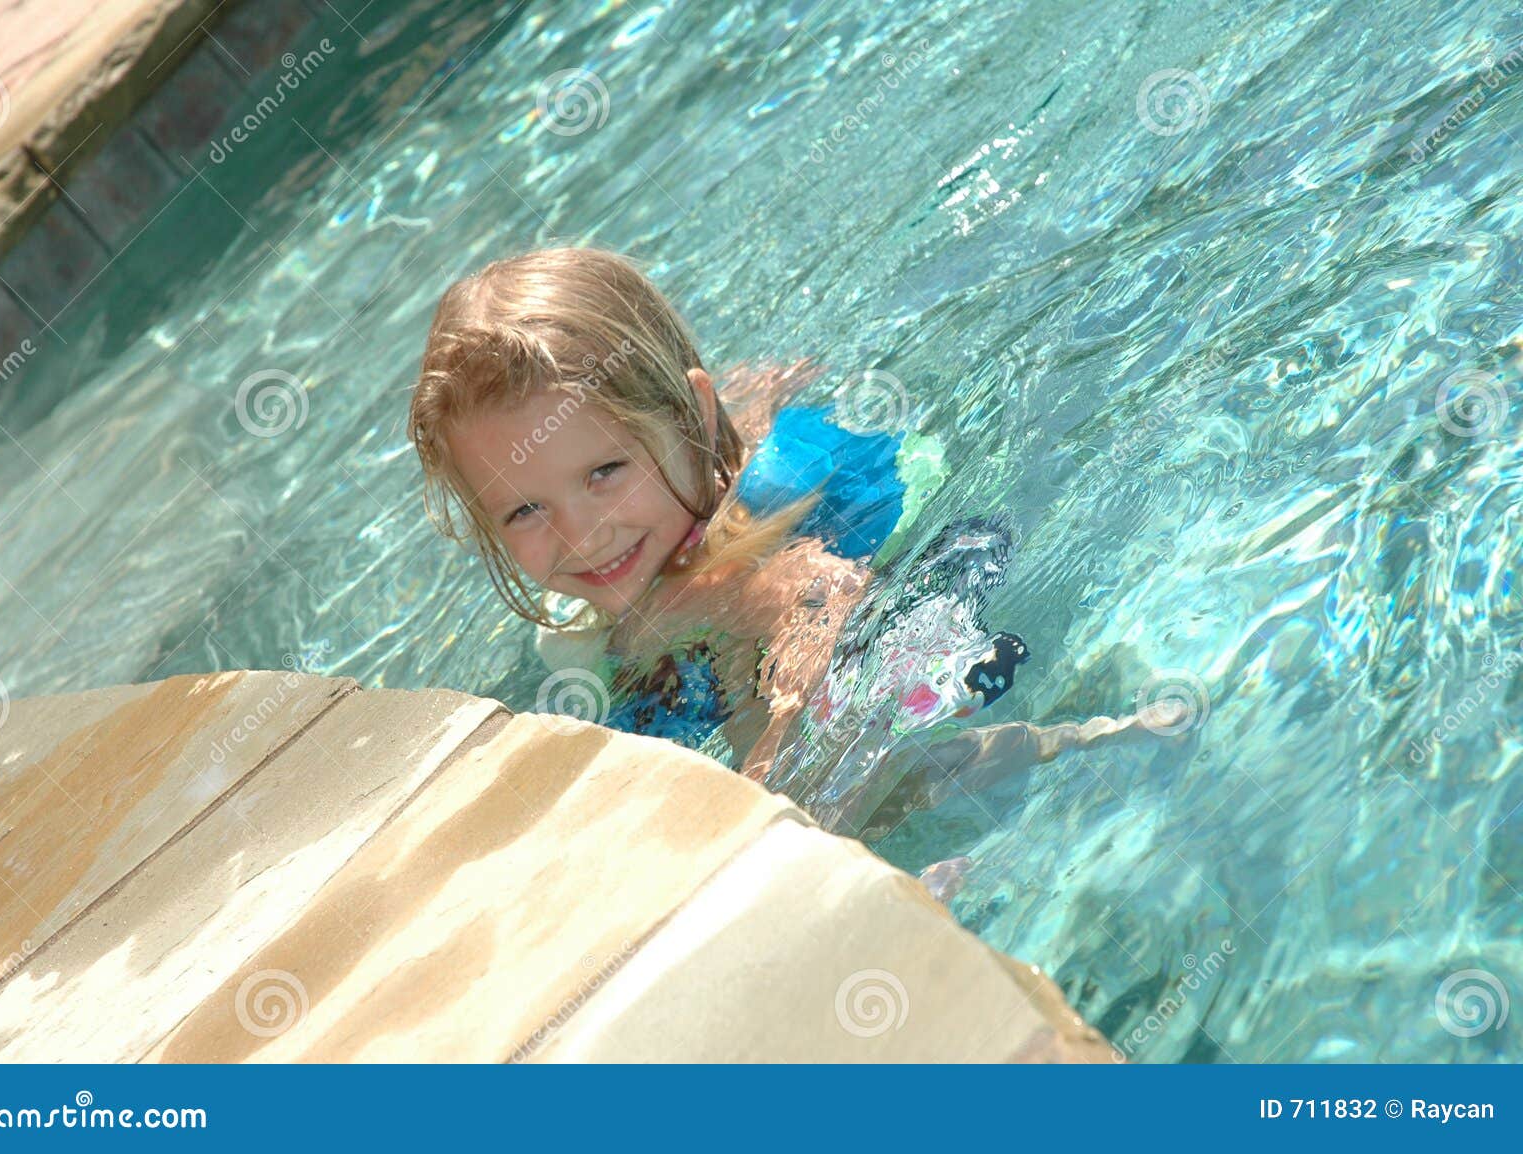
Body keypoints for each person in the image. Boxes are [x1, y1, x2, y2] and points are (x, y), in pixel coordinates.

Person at [406, 246, 1177, 856]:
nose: (581, 534)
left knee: (878, 783)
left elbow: (821, 597)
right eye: (524, 509)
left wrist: (769, 781)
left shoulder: (735, 568)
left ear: (693, 418)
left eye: (604, 471)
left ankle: (1094, 737)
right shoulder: (631, 545)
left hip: (895, 566)